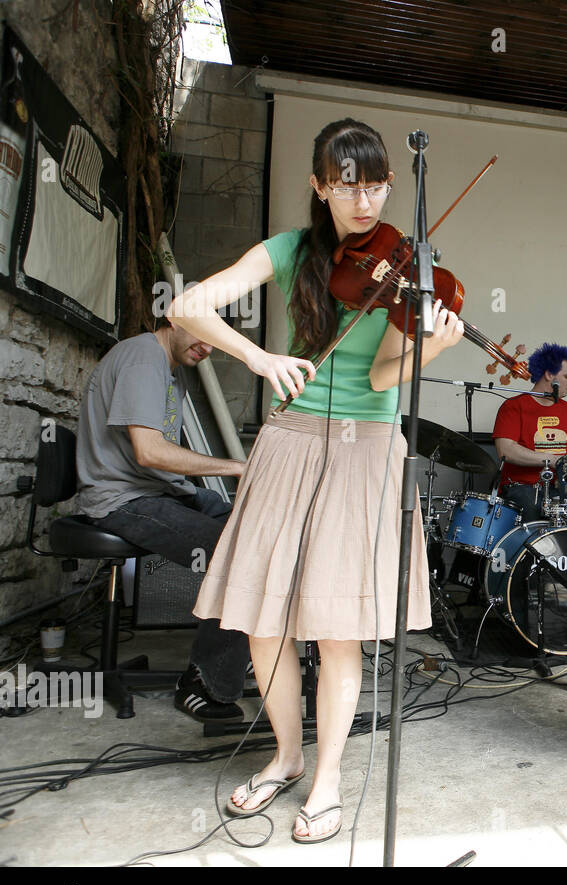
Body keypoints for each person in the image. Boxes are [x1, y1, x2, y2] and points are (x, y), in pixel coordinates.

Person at [167, 118, 463, 843]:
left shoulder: (406, 262)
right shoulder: (292, 249)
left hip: (366, 449)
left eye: (377, 183)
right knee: (264, 621)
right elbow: (185, 305)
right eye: (348, 184)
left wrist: (430, 349)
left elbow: (383, 374)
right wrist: (260, 359)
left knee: (337, 630)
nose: (366, 201)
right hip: (289, 439)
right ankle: (288, 756)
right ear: (320, 186)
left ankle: (326, 779)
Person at [76, 319, 250, 723]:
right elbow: (150, 452)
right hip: (121, 498)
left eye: (215, 344)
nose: (207, 349)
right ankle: (203, 682)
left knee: (255, 533)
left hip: (161, 492)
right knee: (236, 555)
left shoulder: (168, 370)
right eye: (203, 336)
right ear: (176, 319)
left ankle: (243, 644)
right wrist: (237, 467)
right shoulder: (143, 358)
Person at [492, 343, 567, 522]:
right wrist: (552, 460)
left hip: (561, 489)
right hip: (523, 488)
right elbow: (505, 450)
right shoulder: (513, 407)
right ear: (549, 374)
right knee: (530, 504)